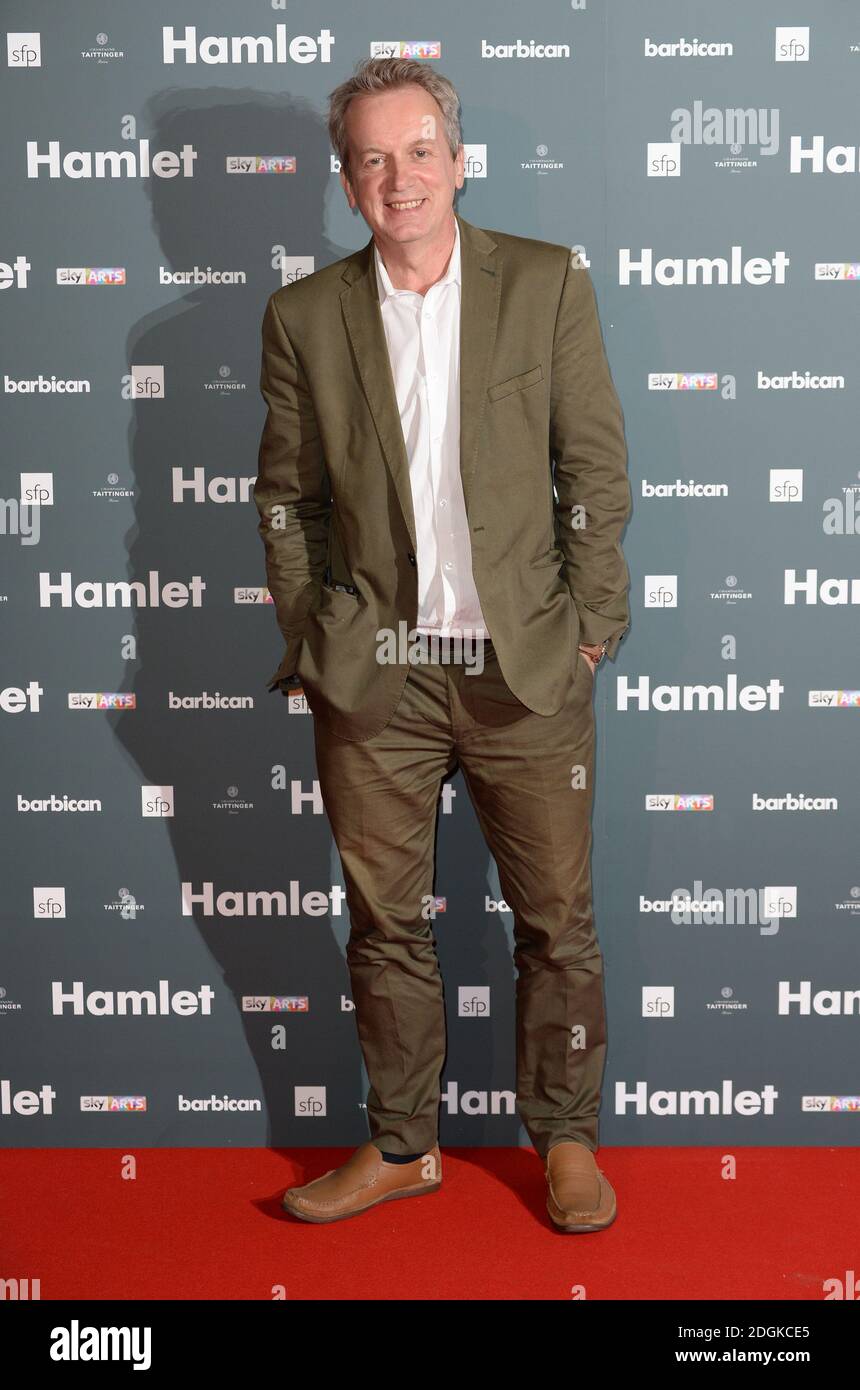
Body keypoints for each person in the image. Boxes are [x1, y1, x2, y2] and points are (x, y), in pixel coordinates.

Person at [253, 55, 631, 1232]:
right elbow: (286, 500)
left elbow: (595, 470)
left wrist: (589, 629)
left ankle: (562, 1139)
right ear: (345, 179)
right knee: (383, 925)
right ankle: (403, 1143)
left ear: (458, 162)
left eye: (418, 151)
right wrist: (317, 633)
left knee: (556, 924)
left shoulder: (544, 283)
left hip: (523, 666)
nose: (396, 176)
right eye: (370, 157)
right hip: (377, 676)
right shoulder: (303, 315)